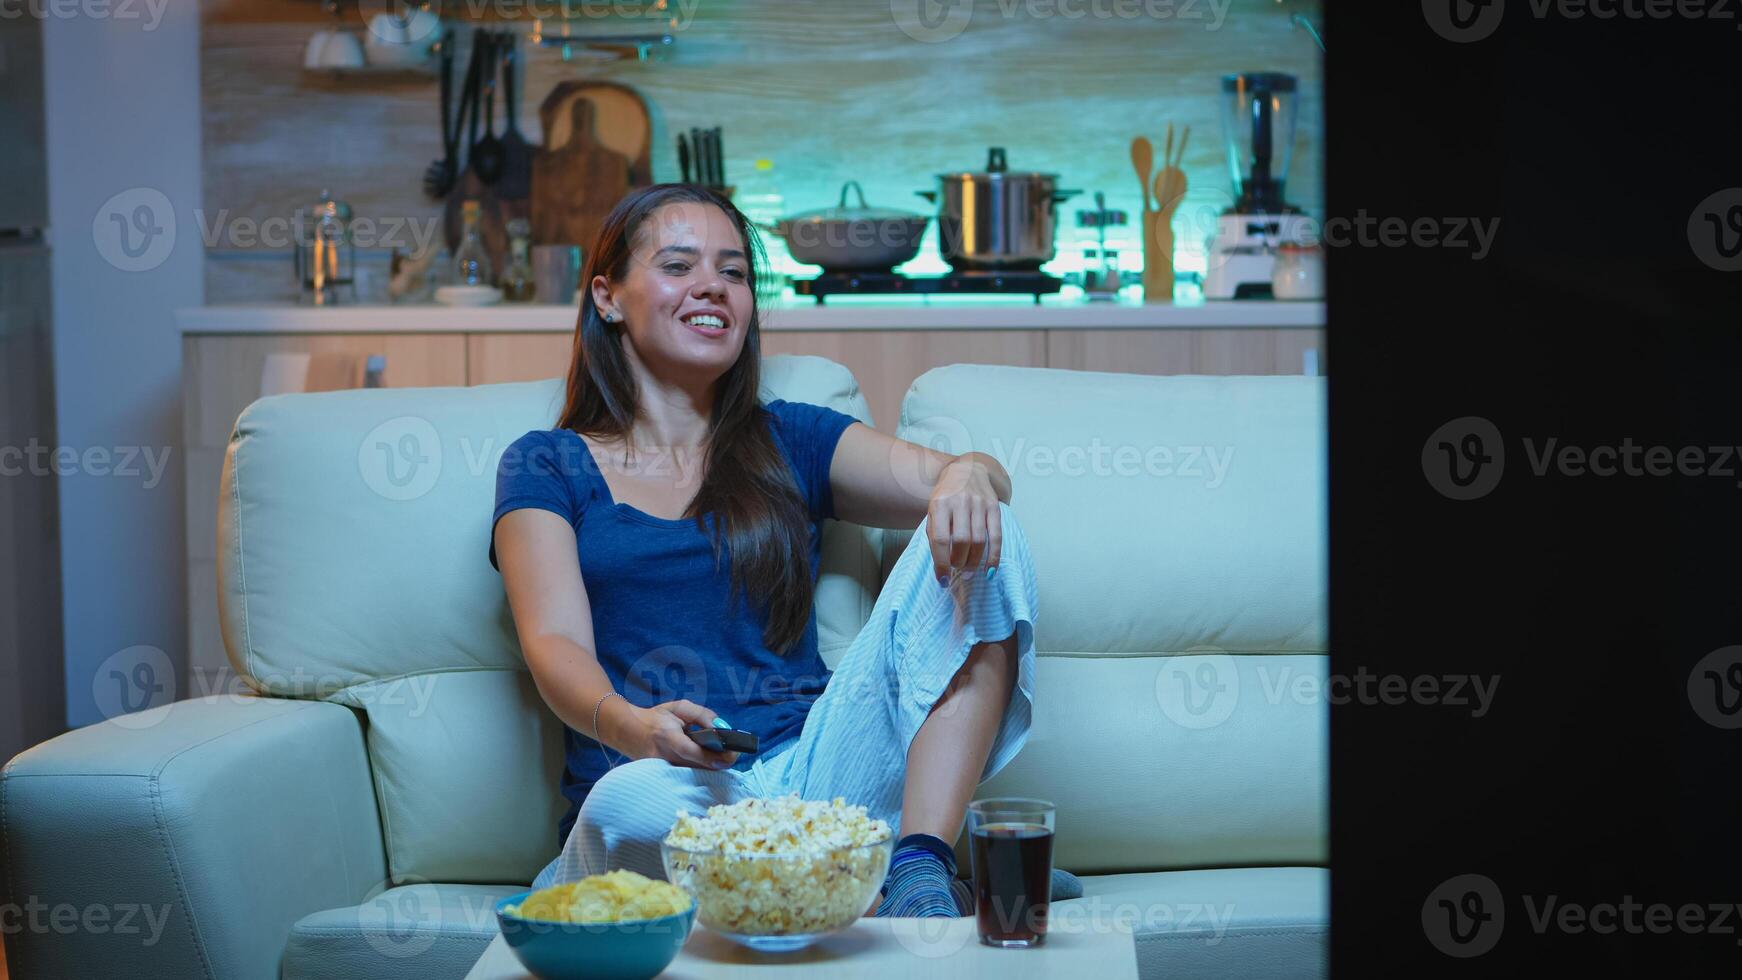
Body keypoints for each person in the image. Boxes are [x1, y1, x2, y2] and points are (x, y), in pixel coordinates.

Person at [488, 184, 1039, 918]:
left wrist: (967, 474)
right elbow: (554, 640)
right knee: (627, 804)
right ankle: (843, 890)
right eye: (678, 265)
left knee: (992, 530)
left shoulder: (793, 438)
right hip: (665, 783)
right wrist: (632, 727)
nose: (713, 286)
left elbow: (972, 480)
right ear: (608, 297)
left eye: (734, 272)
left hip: (815, 781)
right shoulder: (546, 463)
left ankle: (914, 874)